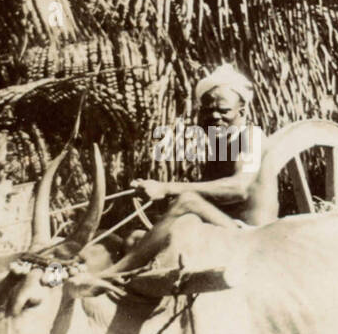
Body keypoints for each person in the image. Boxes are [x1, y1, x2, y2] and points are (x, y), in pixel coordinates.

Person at [110, 64, 273, 278]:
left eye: (224, 110)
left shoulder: (252, 137)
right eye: (208, 110)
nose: (215, 116)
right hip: (222, 229)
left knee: (187, 201)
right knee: (134, 239)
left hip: (253, 235)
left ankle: (117, 273)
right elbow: (212, 195)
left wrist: (167, 188)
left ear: (241, 111)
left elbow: (239, 188)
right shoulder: (220, 143)